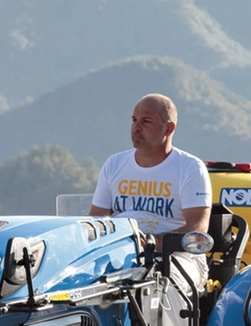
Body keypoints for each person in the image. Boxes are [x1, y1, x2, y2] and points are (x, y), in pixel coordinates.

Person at [91, 93, 212, 295]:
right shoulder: (114, 164)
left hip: (179, 258)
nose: (136, 127)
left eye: (146, 121)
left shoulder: (191, 168)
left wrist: (152, 242)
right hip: (121, 255)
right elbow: (97, 219)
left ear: (169, 128)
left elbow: (197, 227)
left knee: (159, 286)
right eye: (134, 120)